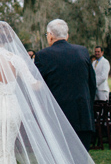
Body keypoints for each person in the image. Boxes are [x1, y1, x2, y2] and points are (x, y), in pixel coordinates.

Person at [0, 22, 93, 164]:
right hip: (12, 109)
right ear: (8, 38)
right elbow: (34, 85)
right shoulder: (16, 59)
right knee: (8, 150)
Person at [34, 19, 97, 151]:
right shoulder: (83, 51)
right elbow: (92, 83)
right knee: (80, 157)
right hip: (82, 115)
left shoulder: (42, 56)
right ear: (67, 36)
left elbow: (38, 88)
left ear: (50, 35)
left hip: (57, 117)